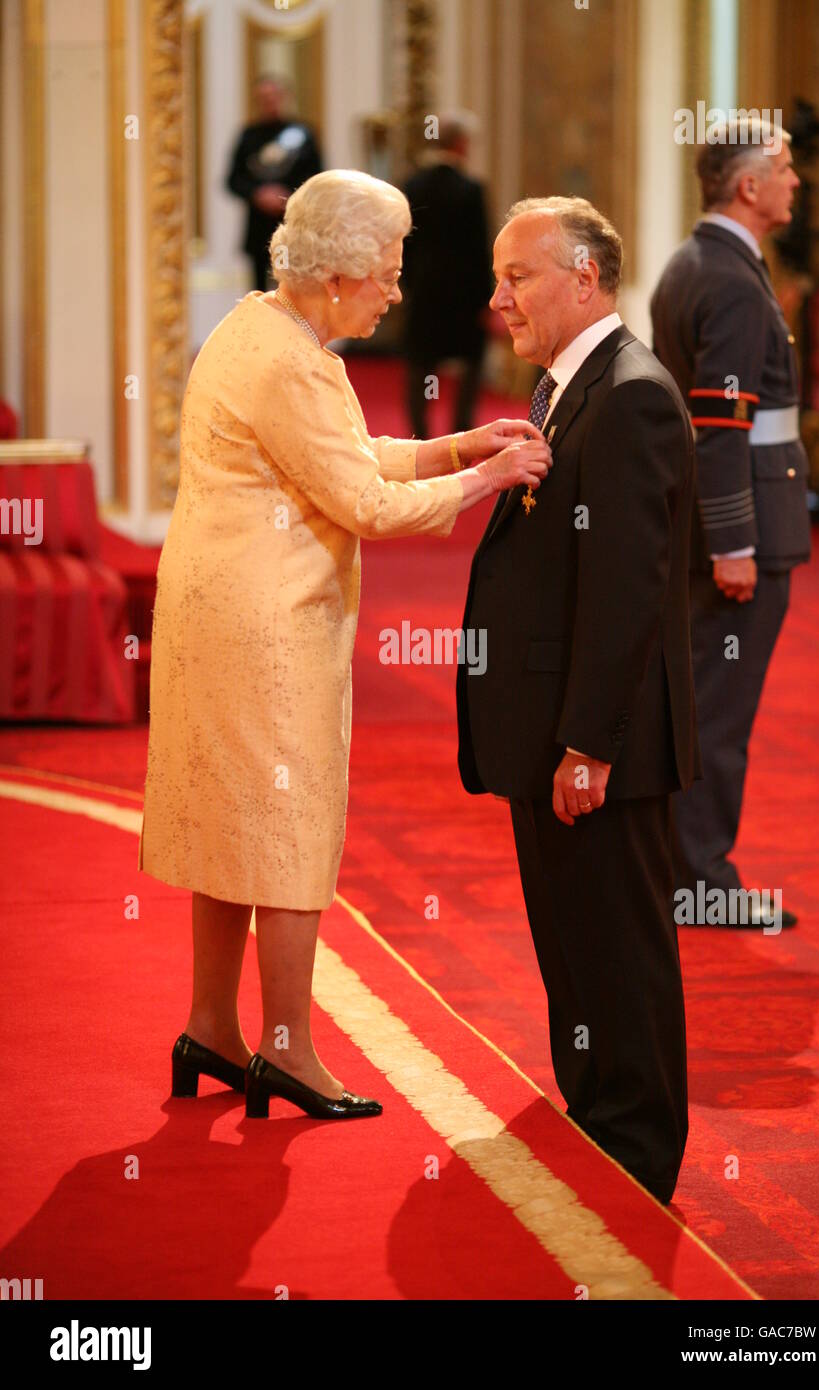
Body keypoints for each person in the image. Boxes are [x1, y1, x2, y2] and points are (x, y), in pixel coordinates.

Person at [138, 170, 551, 1122]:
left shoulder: (257, 327)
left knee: (227, 821)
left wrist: (449, 450)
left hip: (215, 607)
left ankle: (210, 1024)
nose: (398, 290)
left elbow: (337, 455)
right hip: (269, 625)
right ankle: (286, 1051)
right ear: (337, 277)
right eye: (388, 272)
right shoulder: (293, 361)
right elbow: (363, 502)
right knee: (286, 828)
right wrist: (492, 476)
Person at [456, 197, 699, 1205]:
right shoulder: (568, 387)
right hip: (556, 729)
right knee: (572, 936)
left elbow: (625, 594)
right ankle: (595, 1111)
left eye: (518, 276)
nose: (497, 296)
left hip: (605, 742)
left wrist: (585, 745)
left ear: (585, 277)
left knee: (618, 948)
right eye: (500, 276)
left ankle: (636, 1146)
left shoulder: (631, 393)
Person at [651, 118, 811, 930]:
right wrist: (737, 544)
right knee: (719, 715)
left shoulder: (692, 265)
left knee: (700, 702)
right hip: (739, 527)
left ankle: (684, 869)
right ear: (748, 187)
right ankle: (701, 882)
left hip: (710, 523)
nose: (795, 182)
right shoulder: (736, 283)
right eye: (783, 170)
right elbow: (722, 427)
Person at [402, 111, 491, 436]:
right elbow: (480, 251)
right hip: (464, 297)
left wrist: (407, 283)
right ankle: (462, 433)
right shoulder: (471, 189)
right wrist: (487, 299)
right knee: (470, 363)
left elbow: (403, 243)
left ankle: (420, 438)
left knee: (420, 368)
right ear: (461, 144)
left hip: (424, 294)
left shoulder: (412, 185)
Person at [226, 75, 323, 291]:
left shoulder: (303, 133)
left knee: (290, 286)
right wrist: (258, 194)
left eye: (274, 97)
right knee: (259, 291)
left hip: (291, 225)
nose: (270, 102)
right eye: (264, 98)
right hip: (259, 228)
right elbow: (233, 180)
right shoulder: (248, 136)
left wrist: (288, 196)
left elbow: (316, 177)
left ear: (285, 97)